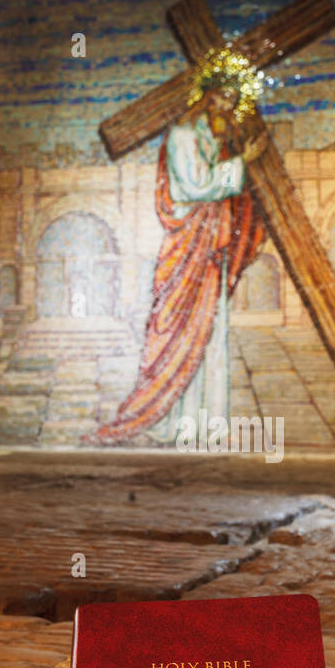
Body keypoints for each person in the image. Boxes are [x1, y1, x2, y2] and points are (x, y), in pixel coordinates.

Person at [95, 71, 268, 444]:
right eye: (220, 97)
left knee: (211, 330)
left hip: (210, 248)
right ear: (203, 96)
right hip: (188, 244)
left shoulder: (215, 139)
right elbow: (193, 186)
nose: (225, 106)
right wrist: (242, 163)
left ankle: (208, 424)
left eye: (232, 101)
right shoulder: (183, 135)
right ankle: (171, 420)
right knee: (178, 329)